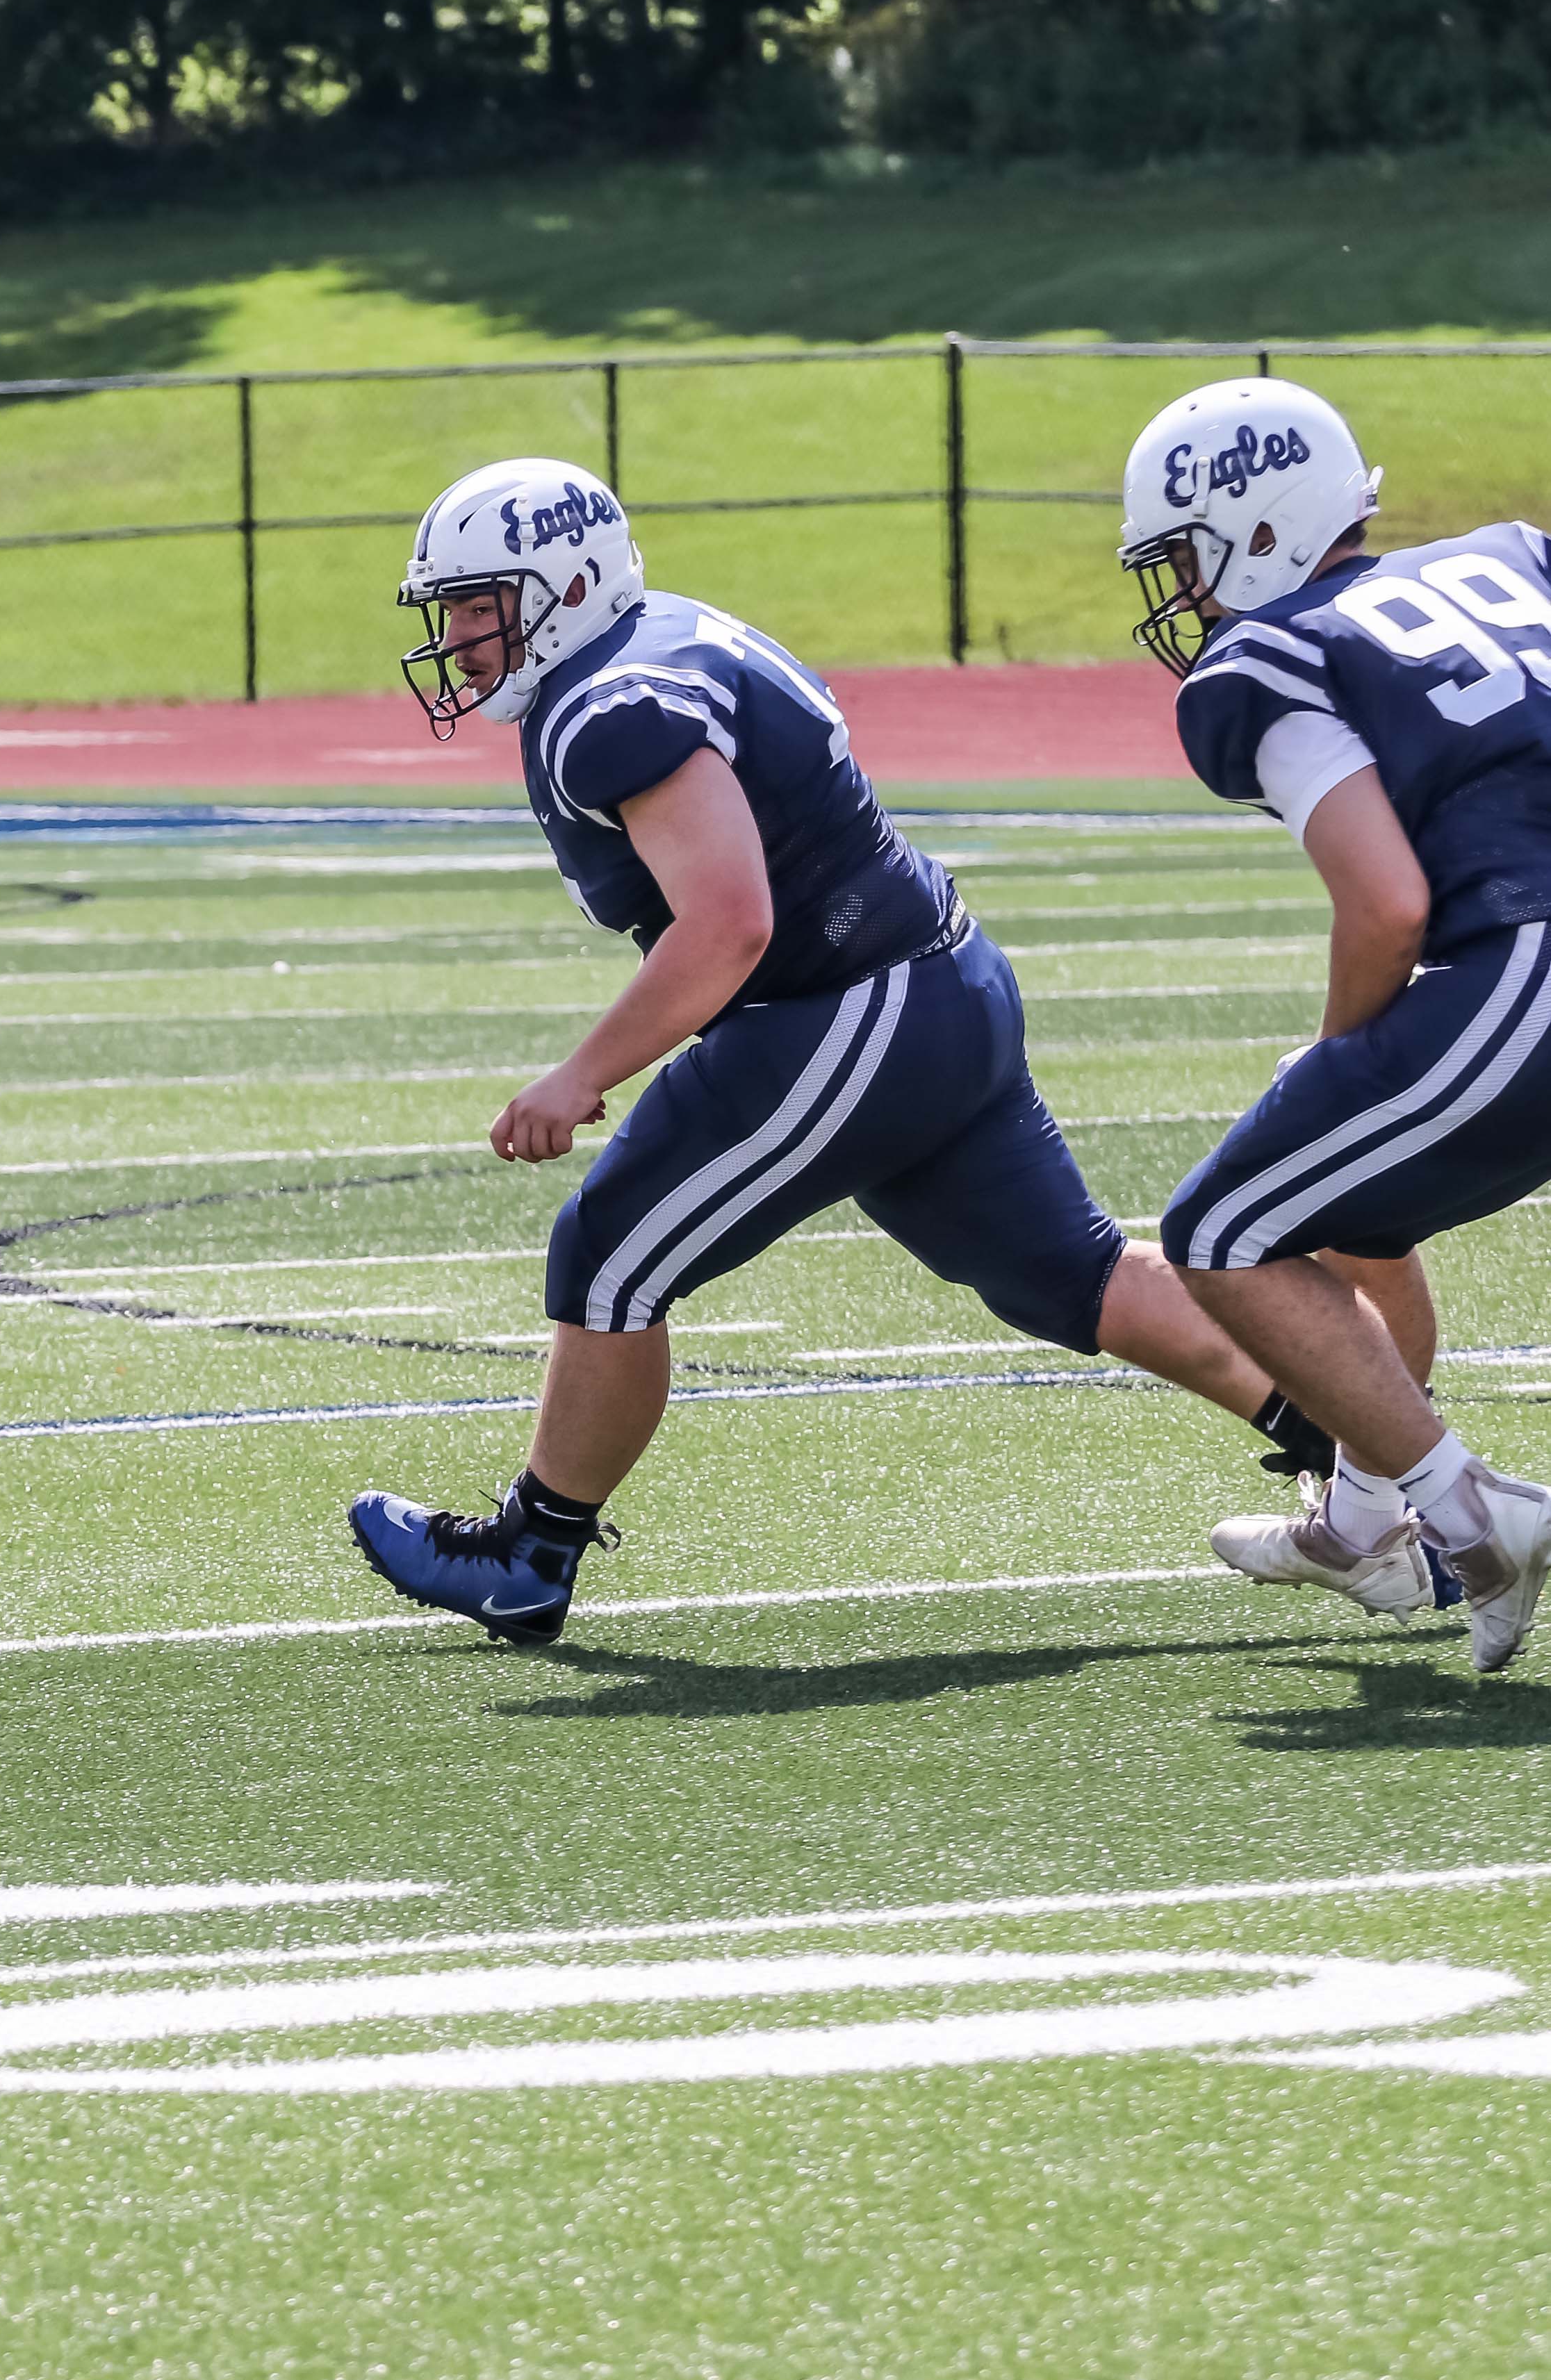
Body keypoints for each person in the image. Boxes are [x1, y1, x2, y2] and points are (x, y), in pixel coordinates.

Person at [347, 457, 1343, 1646]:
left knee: (608, 1255)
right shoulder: (651, 639)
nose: (457, 637)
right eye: (450, 609)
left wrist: (581, 1074)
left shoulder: (613, 708)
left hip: (847, 1004)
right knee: (1068, 1277)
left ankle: (530, 1552)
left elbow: (729, 923)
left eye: (478, 605)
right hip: (927, 983)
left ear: (559, 588)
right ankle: (1384, 1460)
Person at [1124, 377, 1551, 1672]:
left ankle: (1470, 1507)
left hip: (1526, 962)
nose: (1186, 598)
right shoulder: (1514, 557)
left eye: (1188, 561)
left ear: (1256, 531)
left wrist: (1339, 1046)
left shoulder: (1265, 656)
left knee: (1221, 1230)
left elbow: (1386, 901)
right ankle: (1360, 1521)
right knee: (1346, 1197)